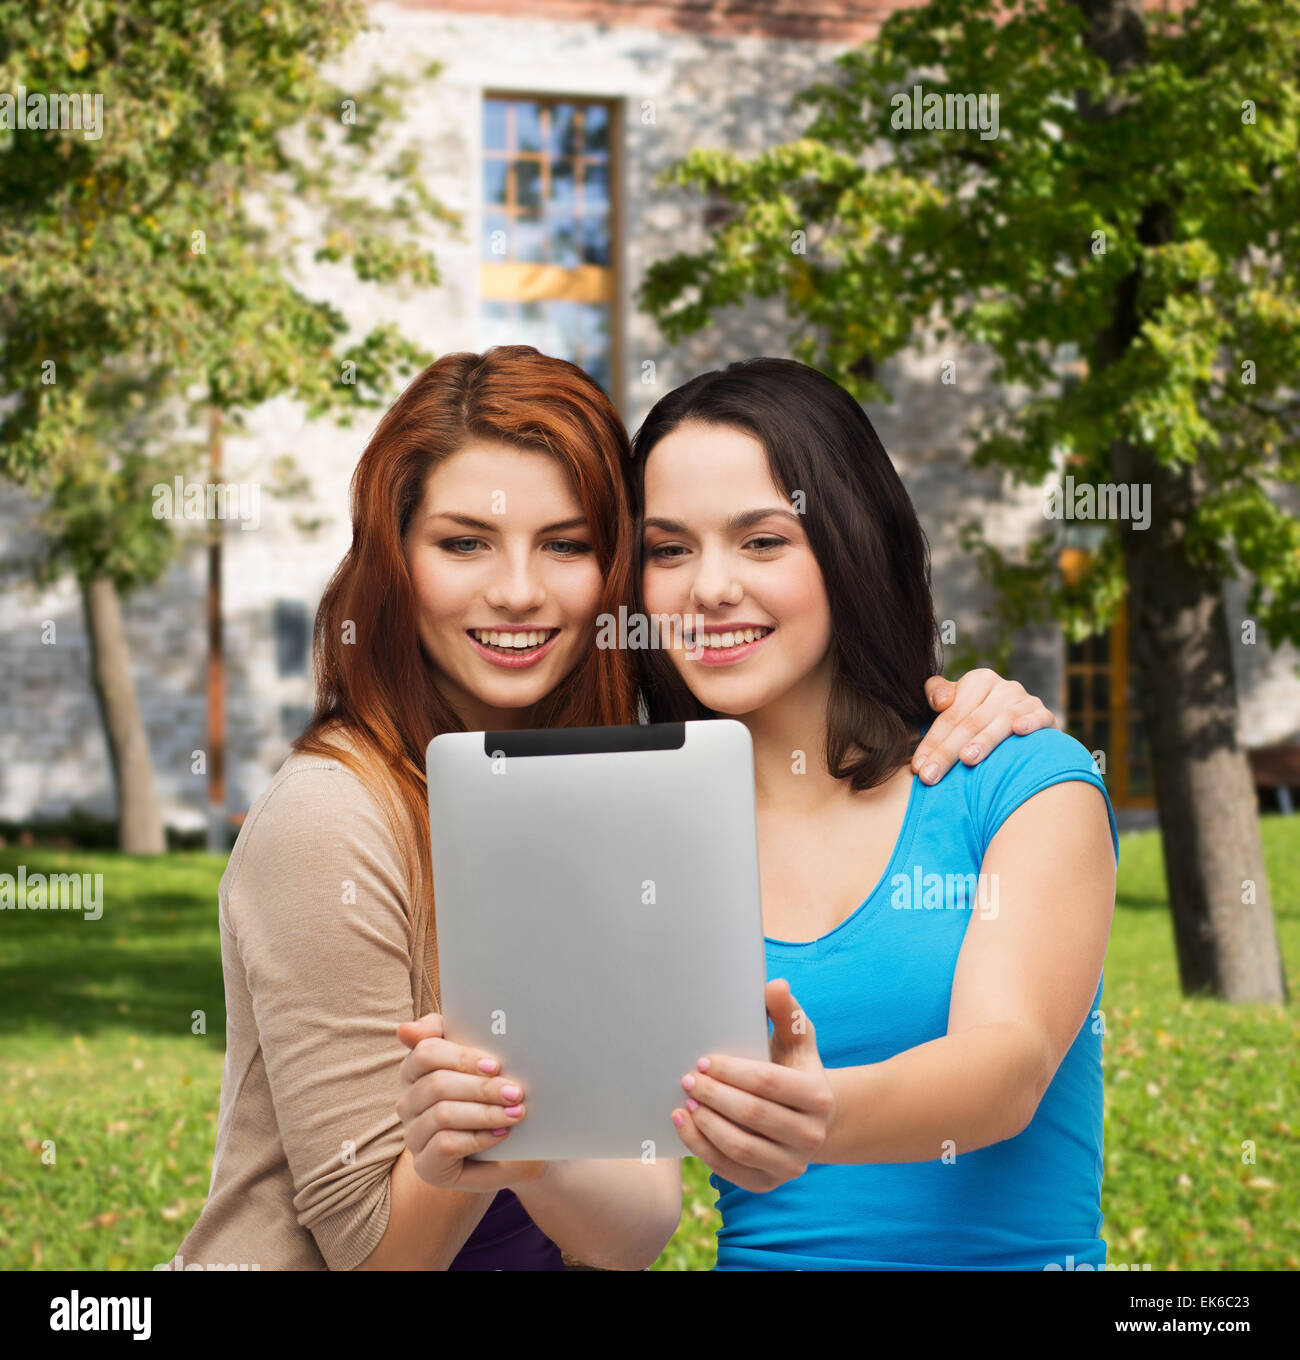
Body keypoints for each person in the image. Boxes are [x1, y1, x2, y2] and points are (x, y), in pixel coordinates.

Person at [171, 347, 1057, 1271]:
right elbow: (379, 1257)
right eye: (463, 542)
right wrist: (458, 1152)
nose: (518, 591)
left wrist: (537, 1155)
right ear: (395, 564)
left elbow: (637, 1225)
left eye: (565, 545)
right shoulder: (332, 821)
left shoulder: (617, 793)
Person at [628, 357, 1117, 1270]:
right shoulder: (647, 847)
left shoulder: (1012, 778)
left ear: (850, 543)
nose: (709, 588)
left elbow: (1007, 1065)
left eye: (763, 541)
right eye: (669, 549)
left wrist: (820, 1117)